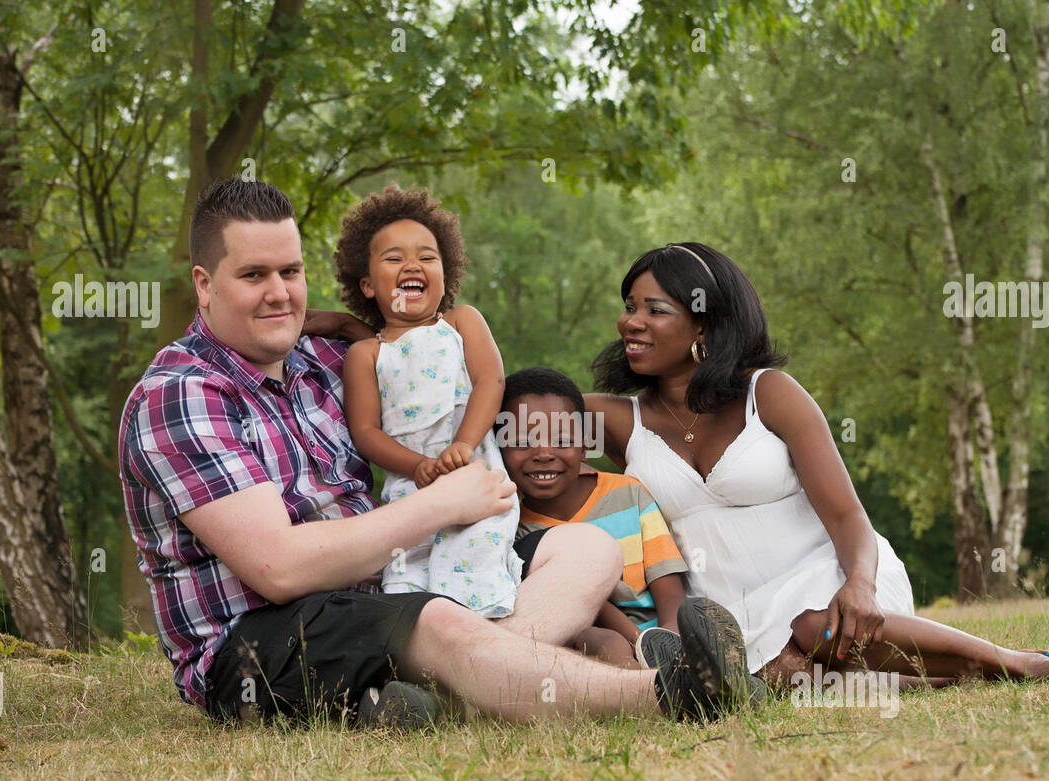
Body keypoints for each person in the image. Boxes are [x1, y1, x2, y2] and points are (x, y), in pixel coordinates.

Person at [118, 179, 750, 730]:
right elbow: (278, 569)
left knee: (588, 549)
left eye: (291, 272)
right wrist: (443, 501)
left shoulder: (320, 363)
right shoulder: (181, 396)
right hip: (261, 636)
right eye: (253, 275)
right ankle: (671, 694)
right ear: (204, 284)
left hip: (390, 582)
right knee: (442, 622)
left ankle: (459, 686)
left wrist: (338, 322)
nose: (280, 293)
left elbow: (404, 346)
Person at [586, 242, 1049, 689]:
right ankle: (925, 679)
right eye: (629, 306)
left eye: (654, 310)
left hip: (825, 576)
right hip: (725, 614)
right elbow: (518, 412)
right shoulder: (619, 419)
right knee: (774, 675)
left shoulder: (769, 394)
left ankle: (1011, 663)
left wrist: (859, 584)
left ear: (705, 321)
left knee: (814, 630)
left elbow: (847, 515)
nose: (630, 322)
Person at [336, 185, 520, 618]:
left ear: (447, 272)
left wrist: (463, 443)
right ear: (366, 284)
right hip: (410, 490)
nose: (412, 265)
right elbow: (366, 432)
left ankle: (487, 656)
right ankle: (421, 672)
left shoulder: (461, 322)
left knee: (476, 574)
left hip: (475, 477)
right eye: (394, 258)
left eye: (427, 256)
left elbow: (490, 380)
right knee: (407, 584)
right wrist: (416, 467)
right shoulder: (367, 354)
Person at [499, 366, 687, 670]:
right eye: (522, 443)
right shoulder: (516, 532)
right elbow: (591, 604)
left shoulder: (628, 494)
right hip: (587, 637)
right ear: (498, 450)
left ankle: (694, 671)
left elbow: (669, 586)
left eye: (561, 441)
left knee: (692, 627)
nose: (544, 453)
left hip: (659, 631)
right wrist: (638, 640)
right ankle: (645, 688)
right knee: (602, 639)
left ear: (585, 444)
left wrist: (670, 636)